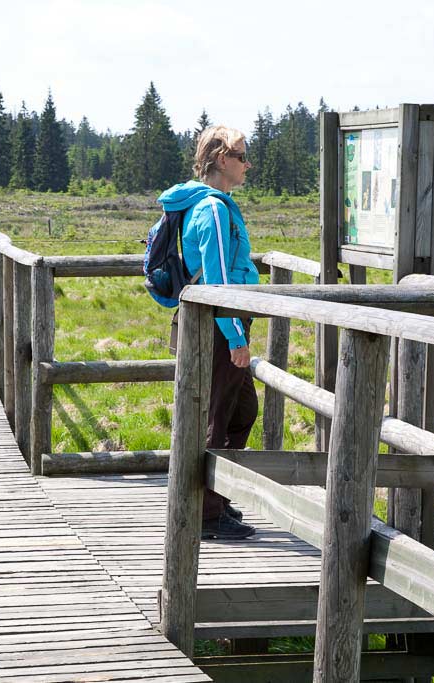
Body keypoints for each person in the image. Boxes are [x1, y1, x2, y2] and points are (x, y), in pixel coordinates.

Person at [158, 125, 259, 541]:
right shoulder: (214, 210)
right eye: (241, 156)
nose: (246, 164)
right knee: (216, 415)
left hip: (215, 322)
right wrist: (236, 337)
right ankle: (206, 513)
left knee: (239, 411)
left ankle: (217, 497)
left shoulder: (210, 204)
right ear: (221, 159)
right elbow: (217, 279)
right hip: (218, 325)